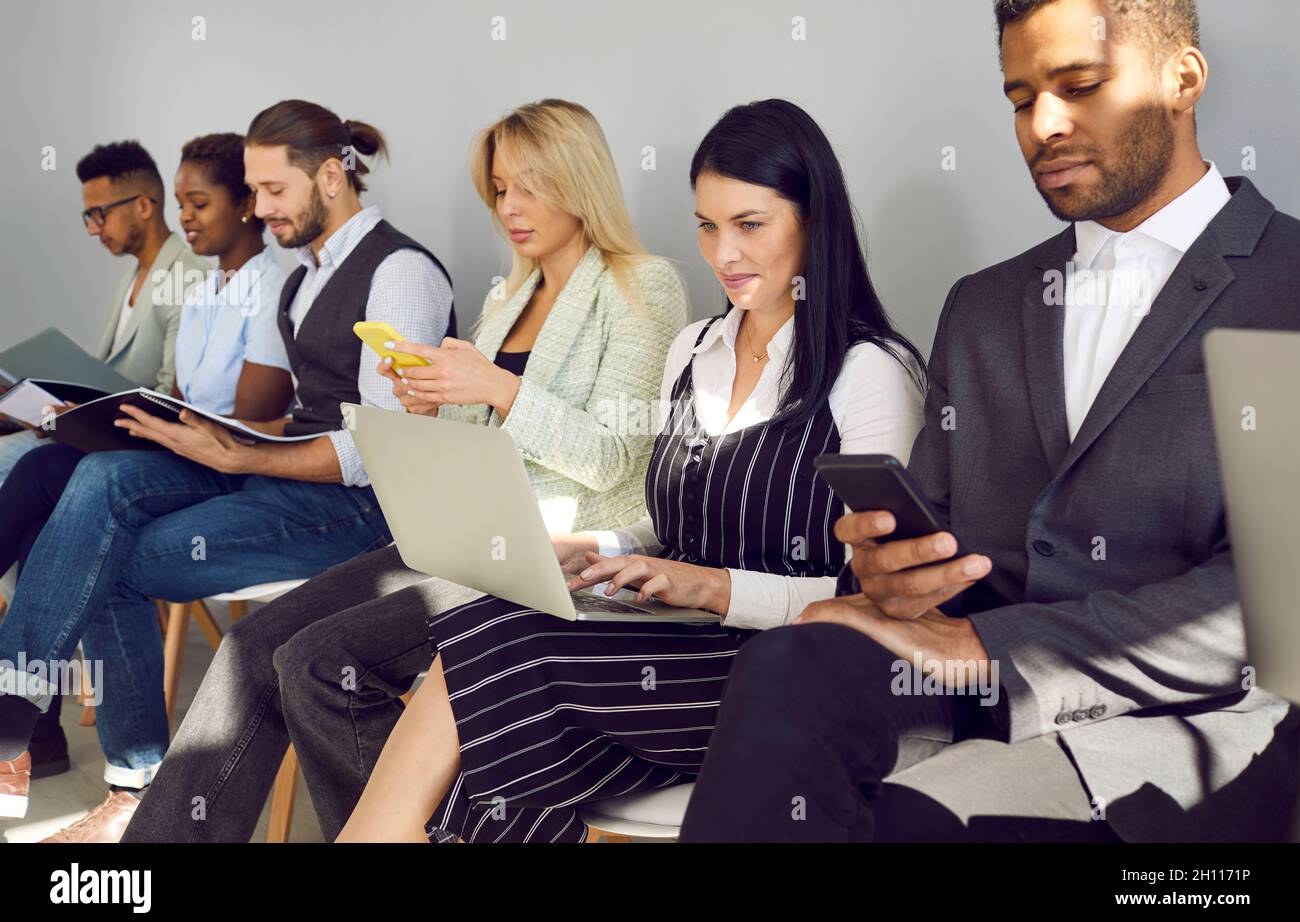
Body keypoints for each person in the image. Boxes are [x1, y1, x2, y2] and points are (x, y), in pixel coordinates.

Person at [679, 0, 1300, 844]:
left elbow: (1271, 606)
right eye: (1019, 99)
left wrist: (990, 645)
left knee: (915, 821)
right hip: (965, 679)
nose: (1044, 124)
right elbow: (940, 543)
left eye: (1079, 86)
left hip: (1195, 723)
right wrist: (892, 575)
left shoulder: (1287, 286)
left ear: (1183, 78)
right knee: (786, 662)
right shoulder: (982, 305)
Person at [335, 98, 928, 843]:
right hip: (674, 643)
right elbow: (677, 517)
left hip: (789, 668)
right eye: (708, 226)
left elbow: (875, 599)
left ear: (815, 220)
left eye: (751, 224)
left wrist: (712, 585)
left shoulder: (870, 374)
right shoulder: (694, 349)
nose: (724, 254)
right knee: (501, 690)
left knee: (509, 660)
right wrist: (609, 549)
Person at [121, 99, 689, 843]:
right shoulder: (508, 296)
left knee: (321, 665)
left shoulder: (642, 285)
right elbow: (480, 441)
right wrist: (427, 412)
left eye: (527, 187)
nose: (508, 209)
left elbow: (618, 454)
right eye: (498, 190)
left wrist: (499, 388)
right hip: (465, 533)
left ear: (579, 181)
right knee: (251, 648)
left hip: (553, 550)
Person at [0, 99, 454, 840]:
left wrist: (244, 451)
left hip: (366, 511)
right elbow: (298, 420)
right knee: (98, 478)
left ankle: (116, 782)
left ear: (332, 176)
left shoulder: (399, 273)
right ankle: (52, 744)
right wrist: (210, 435)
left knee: (106, 554)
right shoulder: (307, 278)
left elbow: (383, 449)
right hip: (285, 473)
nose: (261, 207)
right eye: (255, 190)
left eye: (274, 191)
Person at [0, 131, 294, 787]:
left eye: (196, 203)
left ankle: (17, 729)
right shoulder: (204, 295)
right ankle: (36, 737)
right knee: (48, 482)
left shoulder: (272, 288)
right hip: (171, 452)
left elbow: (242, 435)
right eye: (182, 203)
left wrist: (140, 424)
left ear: (246, 204)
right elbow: (182, 401)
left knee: (75, 485)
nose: (184, 217)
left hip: (228, 470)